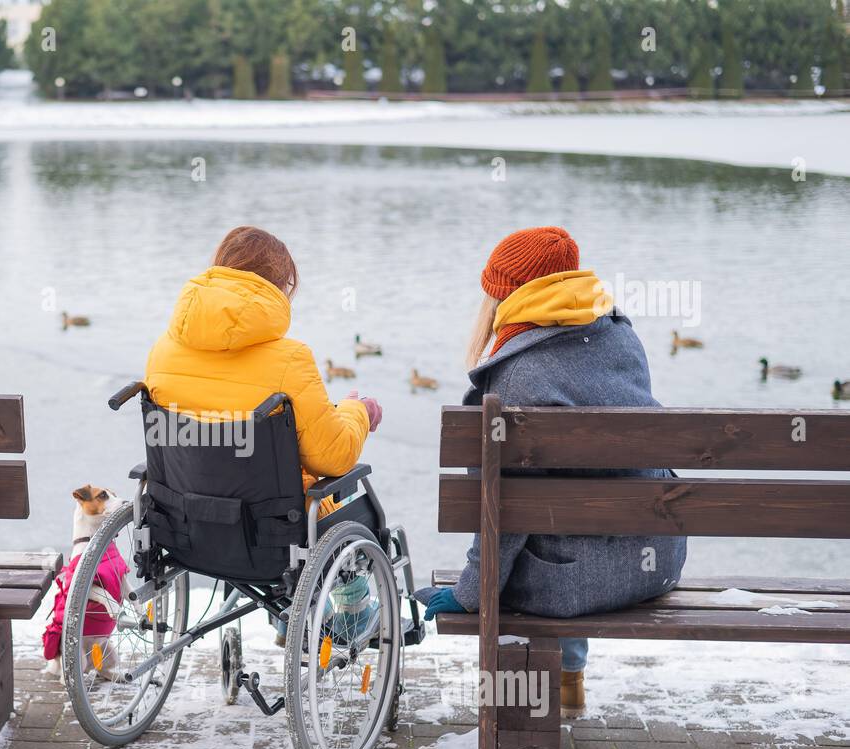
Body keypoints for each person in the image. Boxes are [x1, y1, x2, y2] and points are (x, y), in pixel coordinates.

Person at [414, 226, 687, 718]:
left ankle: (527, 720)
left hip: (573, 582)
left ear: (507, 295)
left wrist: (469, 594)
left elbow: (507, 516)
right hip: (657, 559)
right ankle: (570, 678)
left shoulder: (517, 375)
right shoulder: (622, 336)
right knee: (577, 507)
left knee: (535, 546)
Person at [144, 225, 383, 642]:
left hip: (183, 523)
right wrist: (357, 411)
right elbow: (333, 457)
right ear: (279, 286)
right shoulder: (290, 359)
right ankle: (351, 613)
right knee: (337, 494)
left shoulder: (163, 350)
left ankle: (293, 611)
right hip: (269, 535)